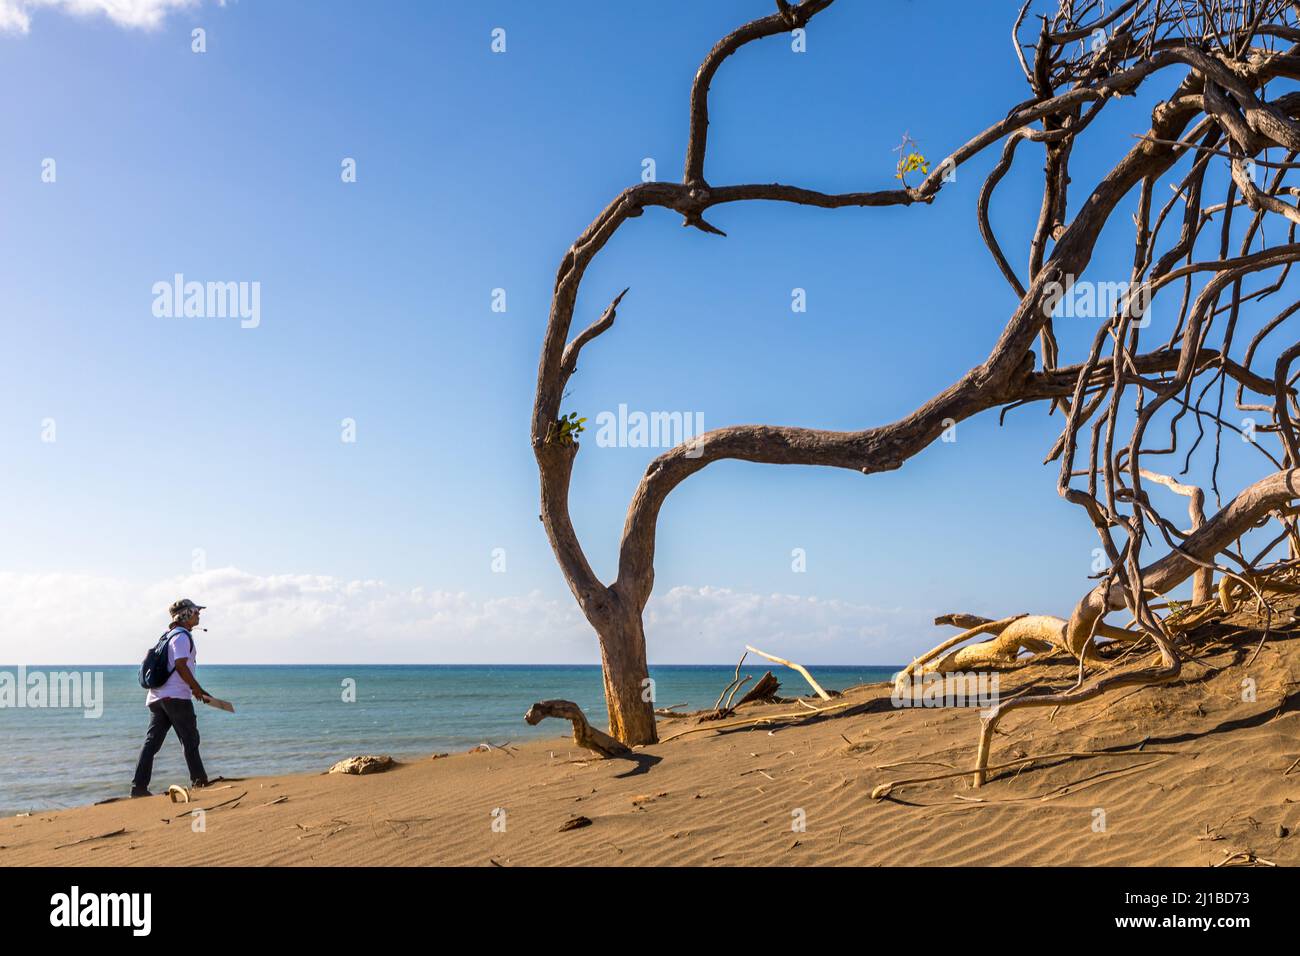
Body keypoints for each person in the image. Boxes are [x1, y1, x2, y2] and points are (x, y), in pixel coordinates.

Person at [130, 599, 215, 797]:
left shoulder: (167, 636)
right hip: (175, 697)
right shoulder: (182, 637)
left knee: (152, 743)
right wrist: (196, 688)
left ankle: (138, 787)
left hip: (157, 698)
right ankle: (199, 781)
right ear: (186, 615)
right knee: (190, 739)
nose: (199, 615)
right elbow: (180, 665)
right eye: (195, 612)